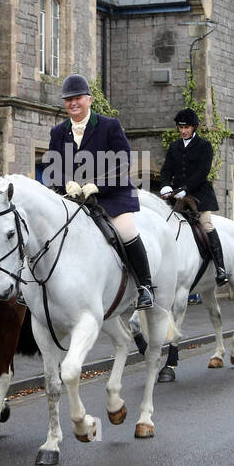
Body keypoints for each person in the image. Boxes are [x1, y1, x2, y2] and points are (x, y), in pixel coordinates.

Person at [43, 73, 154, 309]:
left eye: (77, 98)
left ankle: (145, 286)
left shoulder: (109, 125)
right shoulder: (57, 132)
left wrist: (98, 185)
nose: (73, 103)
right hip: (73, 197)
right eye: (68, 99)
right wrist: (66, 184)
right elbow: (52, 166)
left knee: (126, 232)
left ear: (89, 99)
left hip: (111, 196)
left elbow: (123, 162)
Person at [159, 108, 227, 285]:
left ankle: (220, 268)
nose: (183, 131)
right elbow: (166, 169)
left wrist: (186, 188)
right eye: (180, 127)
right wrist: (165, 184)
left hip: (198, 194)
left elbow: (202, 172)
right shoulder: (174, 146)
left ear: (194, 127)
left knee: (206, 224)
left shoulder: (204, 146)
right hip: (177, 194)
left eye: (186, 127)